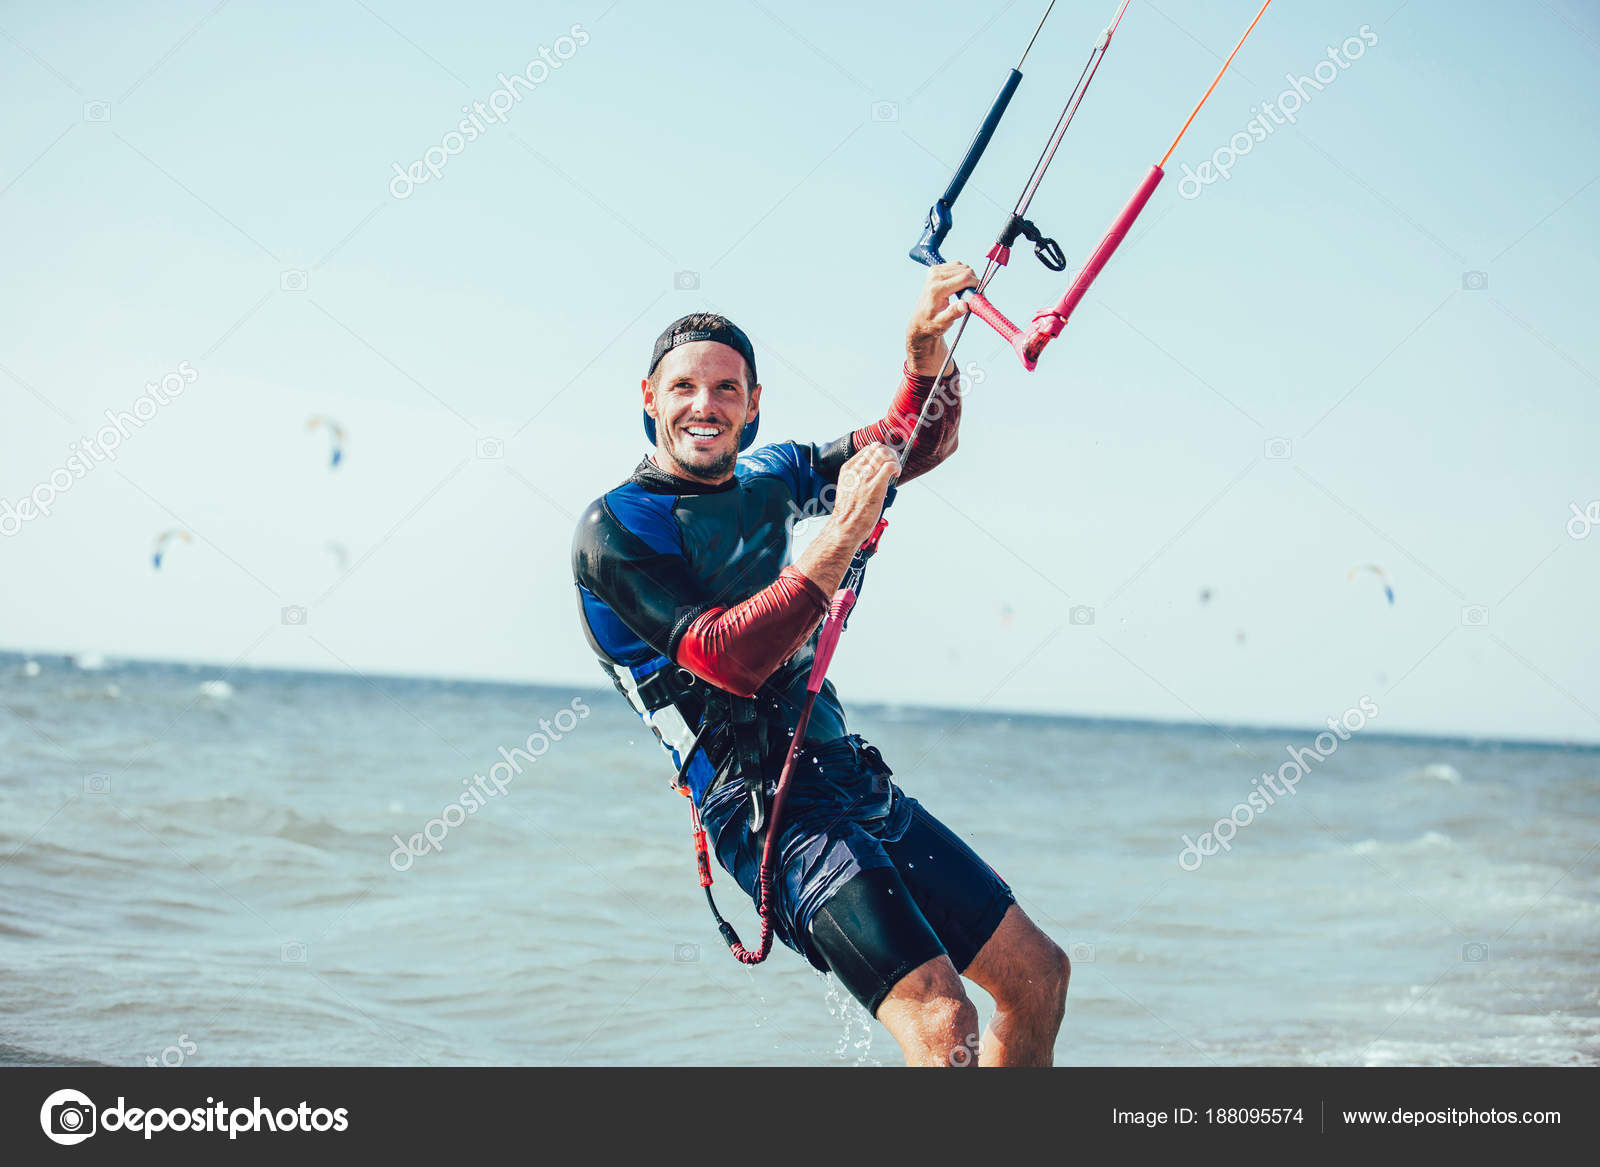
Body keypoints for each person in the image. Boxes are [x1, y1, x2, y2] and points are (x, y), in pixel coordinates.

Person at [571, 263, 1070, 1066]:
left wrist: (921, 354)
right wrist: (838, 537)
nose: (707, 405)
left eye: (728, 389)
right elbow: (727, 658)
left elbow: (912, 443)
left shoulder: (773, 476)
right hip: (764, 806)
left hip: (846, 774)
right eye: (686, 388)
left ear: (754, 405)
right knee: (943, 1025)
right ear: (649, 398)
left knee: (1038, 974)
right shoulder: (617, 528)